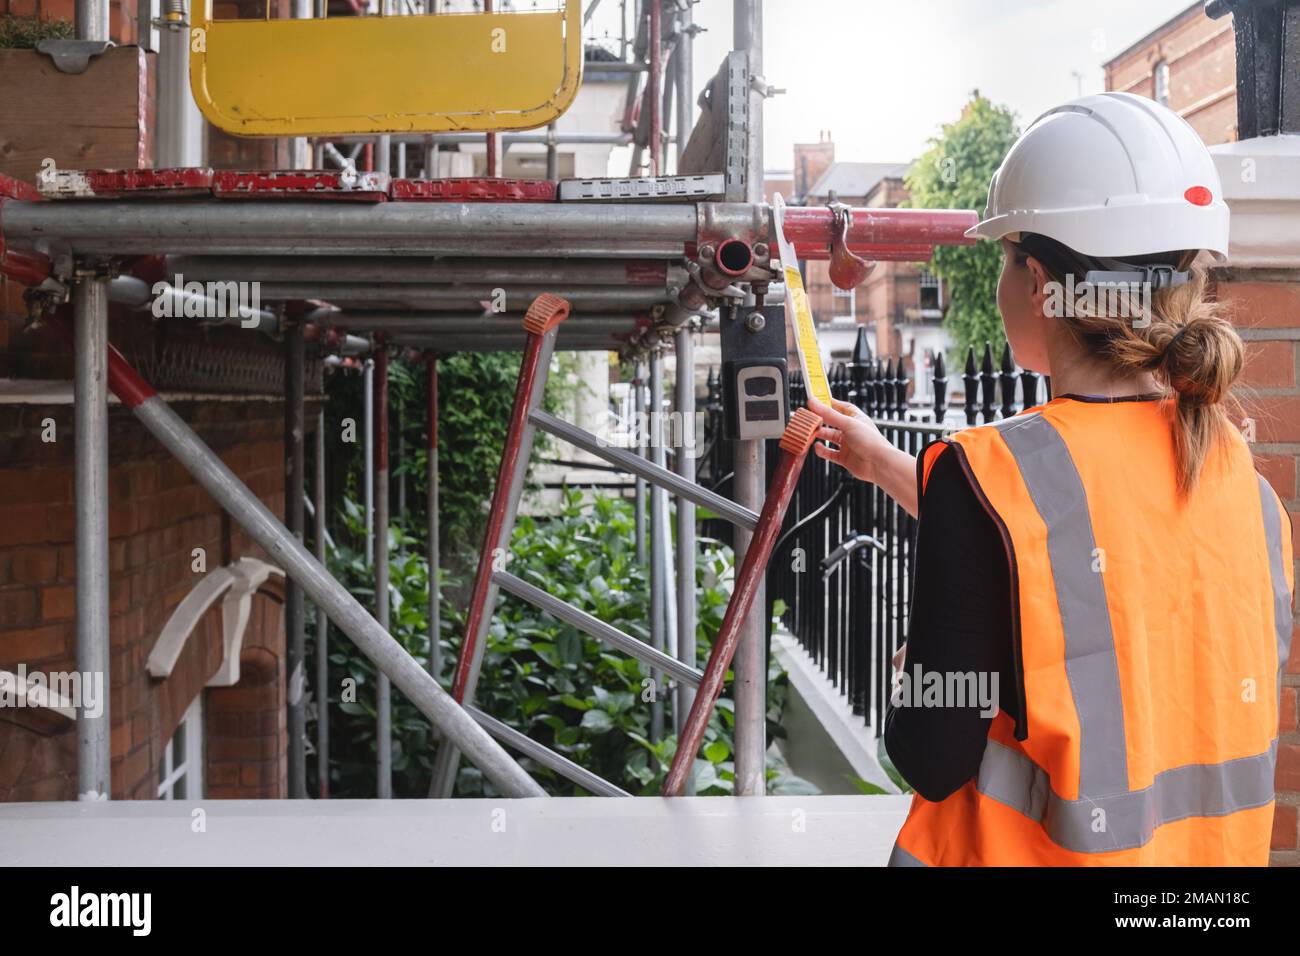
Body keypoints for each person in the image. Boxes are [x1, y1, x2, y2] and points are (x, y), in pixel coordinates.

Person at [807, 91, 1293, 866]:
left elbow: (931, 757)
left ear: (1037, 278)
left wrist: (922, 675)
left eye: (1003, 260)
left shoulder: (988, 475)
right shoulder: (1241, 481)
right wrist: (879, 462)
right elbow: (1075, 553)